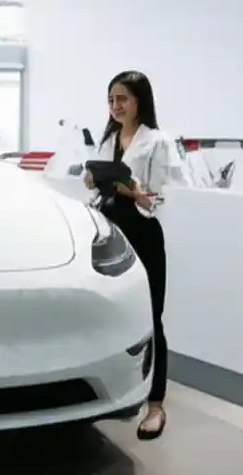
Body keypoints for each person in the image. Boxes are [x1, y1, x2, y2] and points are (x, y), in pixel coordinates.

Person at [83, 70, 185, 440]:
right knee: (107, 312)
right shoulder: (110, 137)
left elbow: (160, 197)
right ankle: (111, 394)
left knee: (151, 316)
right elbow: (93, 178)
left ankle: (155, 405)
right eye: (111, 99)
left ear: (141, 100)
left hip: (142, 230)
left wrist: (136, 192)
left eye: (122, 98)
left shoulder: (157, 142)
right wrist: (93, 178)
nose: (115, 106)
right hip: (109, 230)